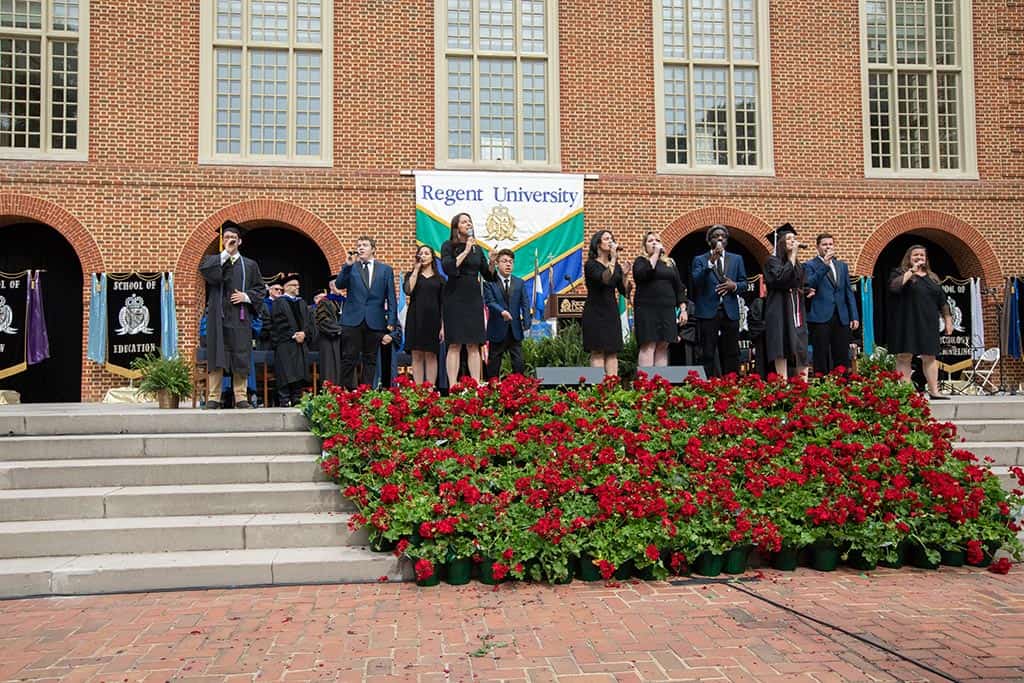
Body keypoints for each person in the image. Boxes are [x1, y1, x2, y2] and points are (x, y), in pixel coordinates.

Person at [198, 220, 266, 409]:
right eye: (226, 237)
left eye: (233, 238)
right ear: (222, 241)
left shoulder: (249, 265)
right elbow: (207, 273)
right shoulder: (212, 261)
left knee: (240, 355)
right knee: (217, 355)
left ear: (240, 241)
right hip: (217, 319)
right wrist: (226, 253)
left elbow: (260, 289)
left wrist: (246, 296)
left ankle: (241, 396)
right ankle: (214, 397)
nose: (230, 240)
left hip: (240, 317)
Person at [887, 244, 953, 399]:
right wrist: (912, 271)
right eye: (915, 255)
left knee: (930, 356)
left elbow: (942, 301)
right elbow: (894, 287)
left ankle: (934, 391)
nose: (919, 258)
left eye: (922, 256)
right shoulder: (899, 272)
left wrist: (948, 319)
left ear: (926, 259)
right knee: (904, 356)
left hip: (928, 322)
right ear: (909, 257)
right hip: (906, 321)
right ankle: (907, 392)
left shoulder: (932, 277)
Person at [335, 236, 397, 389]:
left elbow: (391, 298)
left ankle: (365, 392)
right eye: (359, 245)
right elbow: (339, 284)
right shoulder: (352, 267)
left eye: (364, 245)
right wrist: (347, 266)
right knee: (349, 358)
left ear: (373, 249)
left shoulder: (386, 270)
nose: (360, 248)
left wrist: (391, 323)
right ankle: (346, 392)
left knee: (370, 359)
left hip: (375, 320)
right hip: (352, 320)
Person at [441, 213, 496, 384]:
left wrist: (492, 262)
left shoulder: (477, 249)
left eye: (469, 221)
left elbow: (488, 276)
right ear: (456, 227)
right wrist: (465, 250)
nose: (468, 224)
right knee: (455, 343)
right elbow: (449, 268)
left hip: (473, 296)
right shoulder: (448, 246)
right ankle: (452, 385)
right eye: (464, 221)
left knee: (474, 343)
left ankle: (475, 383)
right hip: (455, 295)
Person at [691, 224, 747, 377]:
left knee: (732, 352)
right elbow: (696, 281)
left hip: (730, 311)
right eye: (716, 236)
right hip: (708, 312)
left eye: (723, 236)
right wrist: (710, 263)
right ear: (709, 241)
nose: (720, 238)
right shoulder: (700, 260)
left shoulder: (736, 259)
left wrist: (734, 285)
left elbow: (744, 283)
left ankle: (731, 384)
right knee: (707, 352)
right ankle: (707, 385)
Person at [803, 233, 860, 375]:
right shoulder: (810, 265)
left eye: (830, 244)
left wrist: (854, 315)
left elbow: (848, 292)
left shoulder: (842, 266)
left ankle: (841, 384)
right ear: (818, 247)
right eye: (824, 244)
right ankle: (821, 386)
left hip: (841, 315)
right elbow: (809, 283)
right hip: (820, 315)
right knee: (820, 353)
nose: (828, 247)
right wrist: (824, 265)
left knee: (841, 353)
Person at [633, 232, 687, 367]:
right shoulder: (641, 261)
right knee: (649, 344)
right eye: (650, 241)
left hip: (667, 309)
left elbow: (679, 287)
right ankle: (645, 383)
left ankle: (659, 383)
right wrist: (655, 255)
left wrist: (683, 309)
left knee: (663, 344)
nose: (655, 243)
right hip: (647, 308)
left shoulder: (670, 264)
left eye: (657, 240)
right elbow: (642, 275)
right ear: (644, 246)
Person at [763, 223, 809, 381]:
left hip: (795, 307)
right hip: (779, 308)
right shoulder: (771, 261)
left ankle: (803, 384)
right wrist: (792, 258)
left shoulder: (796, 263)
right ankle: (782, 382)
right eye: (789, 238)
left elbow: (800, 281)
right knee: (780, 344)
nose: (793, 241)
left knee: (800, 345)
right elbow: (780, 279)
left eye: (794, 238)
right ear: (780, 242)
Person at [582, 230, 630, 377]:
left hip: (611, 311)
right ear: (598, 244)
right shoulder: (591, 265)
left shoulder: (616, 267)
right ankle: (598, 388)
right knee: (597, 351)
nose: (610, 241)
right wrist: (614, 258)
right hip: (595, 311)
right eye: (607, 238)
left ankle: (612, 388)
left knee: (612, 351)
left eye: (612, 239)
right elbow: (605, 279)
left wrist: (625, 276)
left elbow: (625, 291)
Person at [483, 249, 531, 379]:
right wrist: (502, 312)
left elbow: (525, 303)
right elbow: (490, 302)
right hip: (497, 327)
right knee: (494, 362)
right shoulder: (489, 282)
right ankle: (492, 389)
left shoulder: (519, 282)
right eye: (504, 261)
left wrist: (527, 321)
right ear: (497, 264)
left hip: (515, 328)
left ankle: (519, 388)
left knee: (519, 362)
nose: (508, 264)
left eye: (511, 262)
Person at [403, 245, 444, 385]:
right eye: (421, 253)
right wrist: (415, 270)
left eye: (427, 253)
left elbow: (443, 304)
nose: (424, 255)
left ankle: (430, 388)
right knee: (417, 354)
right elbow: (408, 290)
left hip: (433, 319)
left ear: (432, 257)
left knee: (431, 355)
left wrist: (443, 326)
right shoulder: (411, 275)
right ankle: (418, 389)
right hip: (415, 318)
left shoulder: (440, 279)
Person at [270, 274, 313, 406]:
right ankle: (284, 399)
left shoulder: (301, 302)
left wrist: (304, 333)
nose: (297, 287)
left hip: (300, 343)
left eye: (298, 285)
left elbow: (308, 322)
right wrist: (293, 334)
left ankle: (297, 398)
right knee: (286, 371)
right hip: (285, 343)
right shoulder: (278, 302)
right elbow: (277, 323)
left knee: (299, 371)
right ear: (286, 287)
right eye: (294, 285)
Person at [314, 280, 344, 388]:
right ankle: (330, 395)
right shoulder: (324, 302)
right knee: (330, 370)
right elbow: (322, 321)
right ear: (331, 286)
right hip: (330, 339)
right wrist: (340, 330)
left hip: (345, 341)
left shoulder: (347, 302)